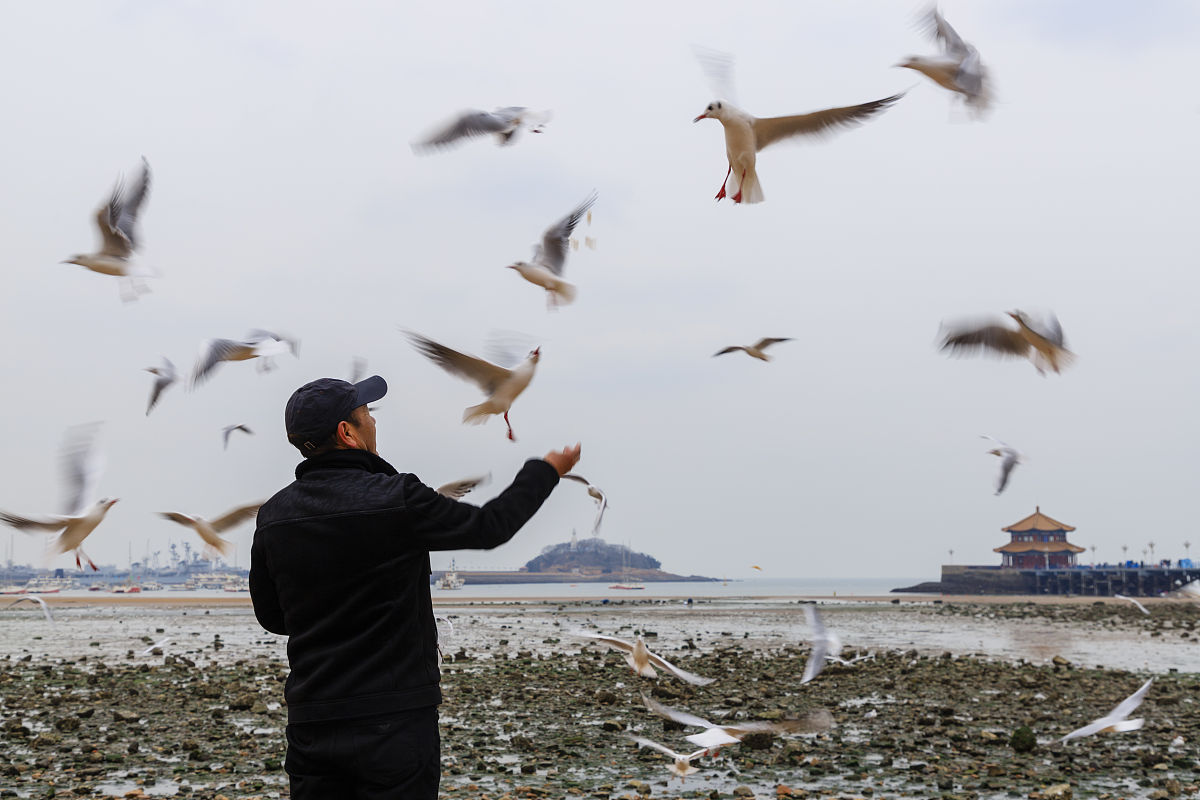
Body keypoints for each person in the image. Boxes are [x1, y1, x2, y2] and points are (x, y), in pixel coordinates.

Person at [250, 375, 580, 799]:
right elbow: (489, 527)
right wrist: (546, 470)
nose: (373, 421)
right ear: (346, 433)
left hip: (313, 722)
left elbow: (272, 617)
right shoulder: (397, 497)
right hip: (394, 722)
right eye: (366, 413)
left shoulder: (274, 516)